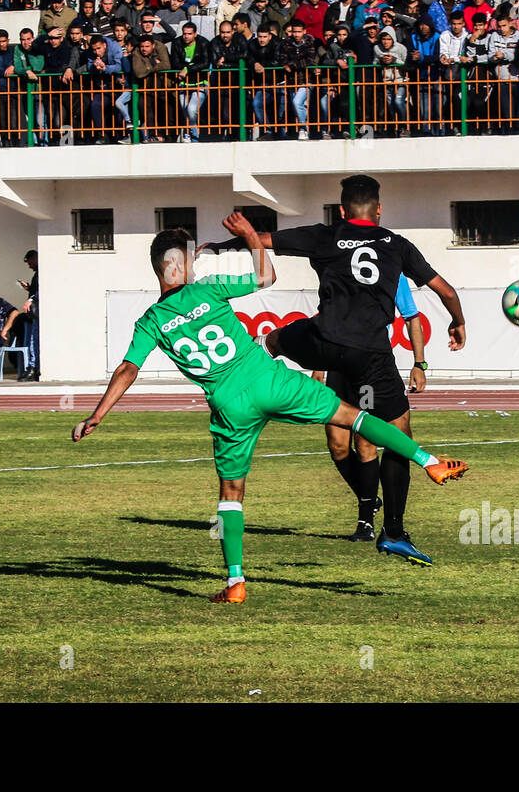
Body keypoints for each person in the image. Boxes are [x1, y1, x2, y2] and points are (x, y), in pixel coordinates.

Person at [72, 217, 465, 604]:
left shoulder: (151, 322)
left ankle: (236, 582)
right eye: (189, 260)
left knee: (231, 493)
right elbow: (266, 278)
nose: (194, 266)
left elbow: (128, 368)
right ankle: (427, 460)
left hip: (229, 404)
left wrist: (96, 416)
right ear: (174, 264)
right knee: (354, 417)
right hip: (267, 379)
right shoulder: (207, 290)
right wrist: (249, 237)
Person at [206, 174, 469, 566]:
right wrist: (457, 322)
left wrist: (220, 245)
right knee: (398, 435)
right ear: (379, 210)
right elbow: (446, 291)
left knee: (276, 340)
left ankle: (246, 376)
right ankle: (394, 532)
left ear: (342, 211)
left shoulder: (325, 236)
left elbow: (262, 241)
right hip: (371, 354)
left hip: (323, 342)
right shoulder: (397, 244)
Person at [314, 277, 429, 541]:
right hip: (338, 365)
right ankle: (370, 500)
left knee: (365, 440)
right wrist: (319, 366)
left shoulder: (391, 271)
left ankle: (365, 521)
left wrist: (419, 363)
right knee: (337, 445)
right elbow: (325, 317)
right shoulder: (337, 265)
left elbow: (412, 317)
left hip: (370, 368)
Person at [17, 249, 40, 381]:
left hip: (37, 313)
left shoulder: (42, 273)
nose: (29, 265)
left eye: (30, 262)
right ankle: (32, 367)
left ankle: (33, 369)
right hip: (33, 314)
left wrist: (30, 299)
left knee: (34, 341)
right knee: (31, 340)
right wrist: (29, 288)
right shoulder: (37, 274)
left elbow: (41, 290)